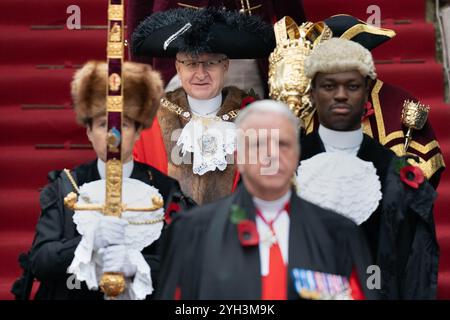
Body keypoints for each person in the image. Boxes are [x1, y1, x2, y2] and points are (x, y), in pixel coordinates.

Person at [156, 100, 378, 300]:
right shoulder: (194, 231)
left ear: (296, 154)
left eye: (282, 144)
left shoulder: (338, 234)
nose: (271, 155)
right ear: (238, 156)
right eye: (259, 144)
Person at [28, 61, 192, 300]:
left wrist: (136, 265)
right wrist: (88, 242)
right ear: (88, 131)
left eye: (123, 125)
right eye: (103, 124)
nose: (112, 136)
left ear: (137, 132)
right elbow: (41, 261)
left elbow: (183, 266)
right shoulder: (66, 186)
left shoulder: (164, 190)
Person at [300, 38, 439, 299]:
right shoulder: (284, 167)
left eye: (352, 86)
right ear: (312, 92)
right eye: (329, 86)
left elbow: (416, 270)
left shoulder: (397, 174)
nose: (340, 95)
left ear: (366, 92)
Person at [131, 7, 275, 204]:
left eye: (210, 63)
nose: (200, 74)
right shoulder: (149, 122)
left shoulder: (256, 119)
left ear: (225, 66)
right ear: (177, 67)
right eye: (191, 64)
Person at [303, 14, 445, 188]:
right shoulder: (304, 108)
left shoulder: (400, 102)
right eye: (329, 84)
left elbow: (425, 176)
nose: (340, 95)